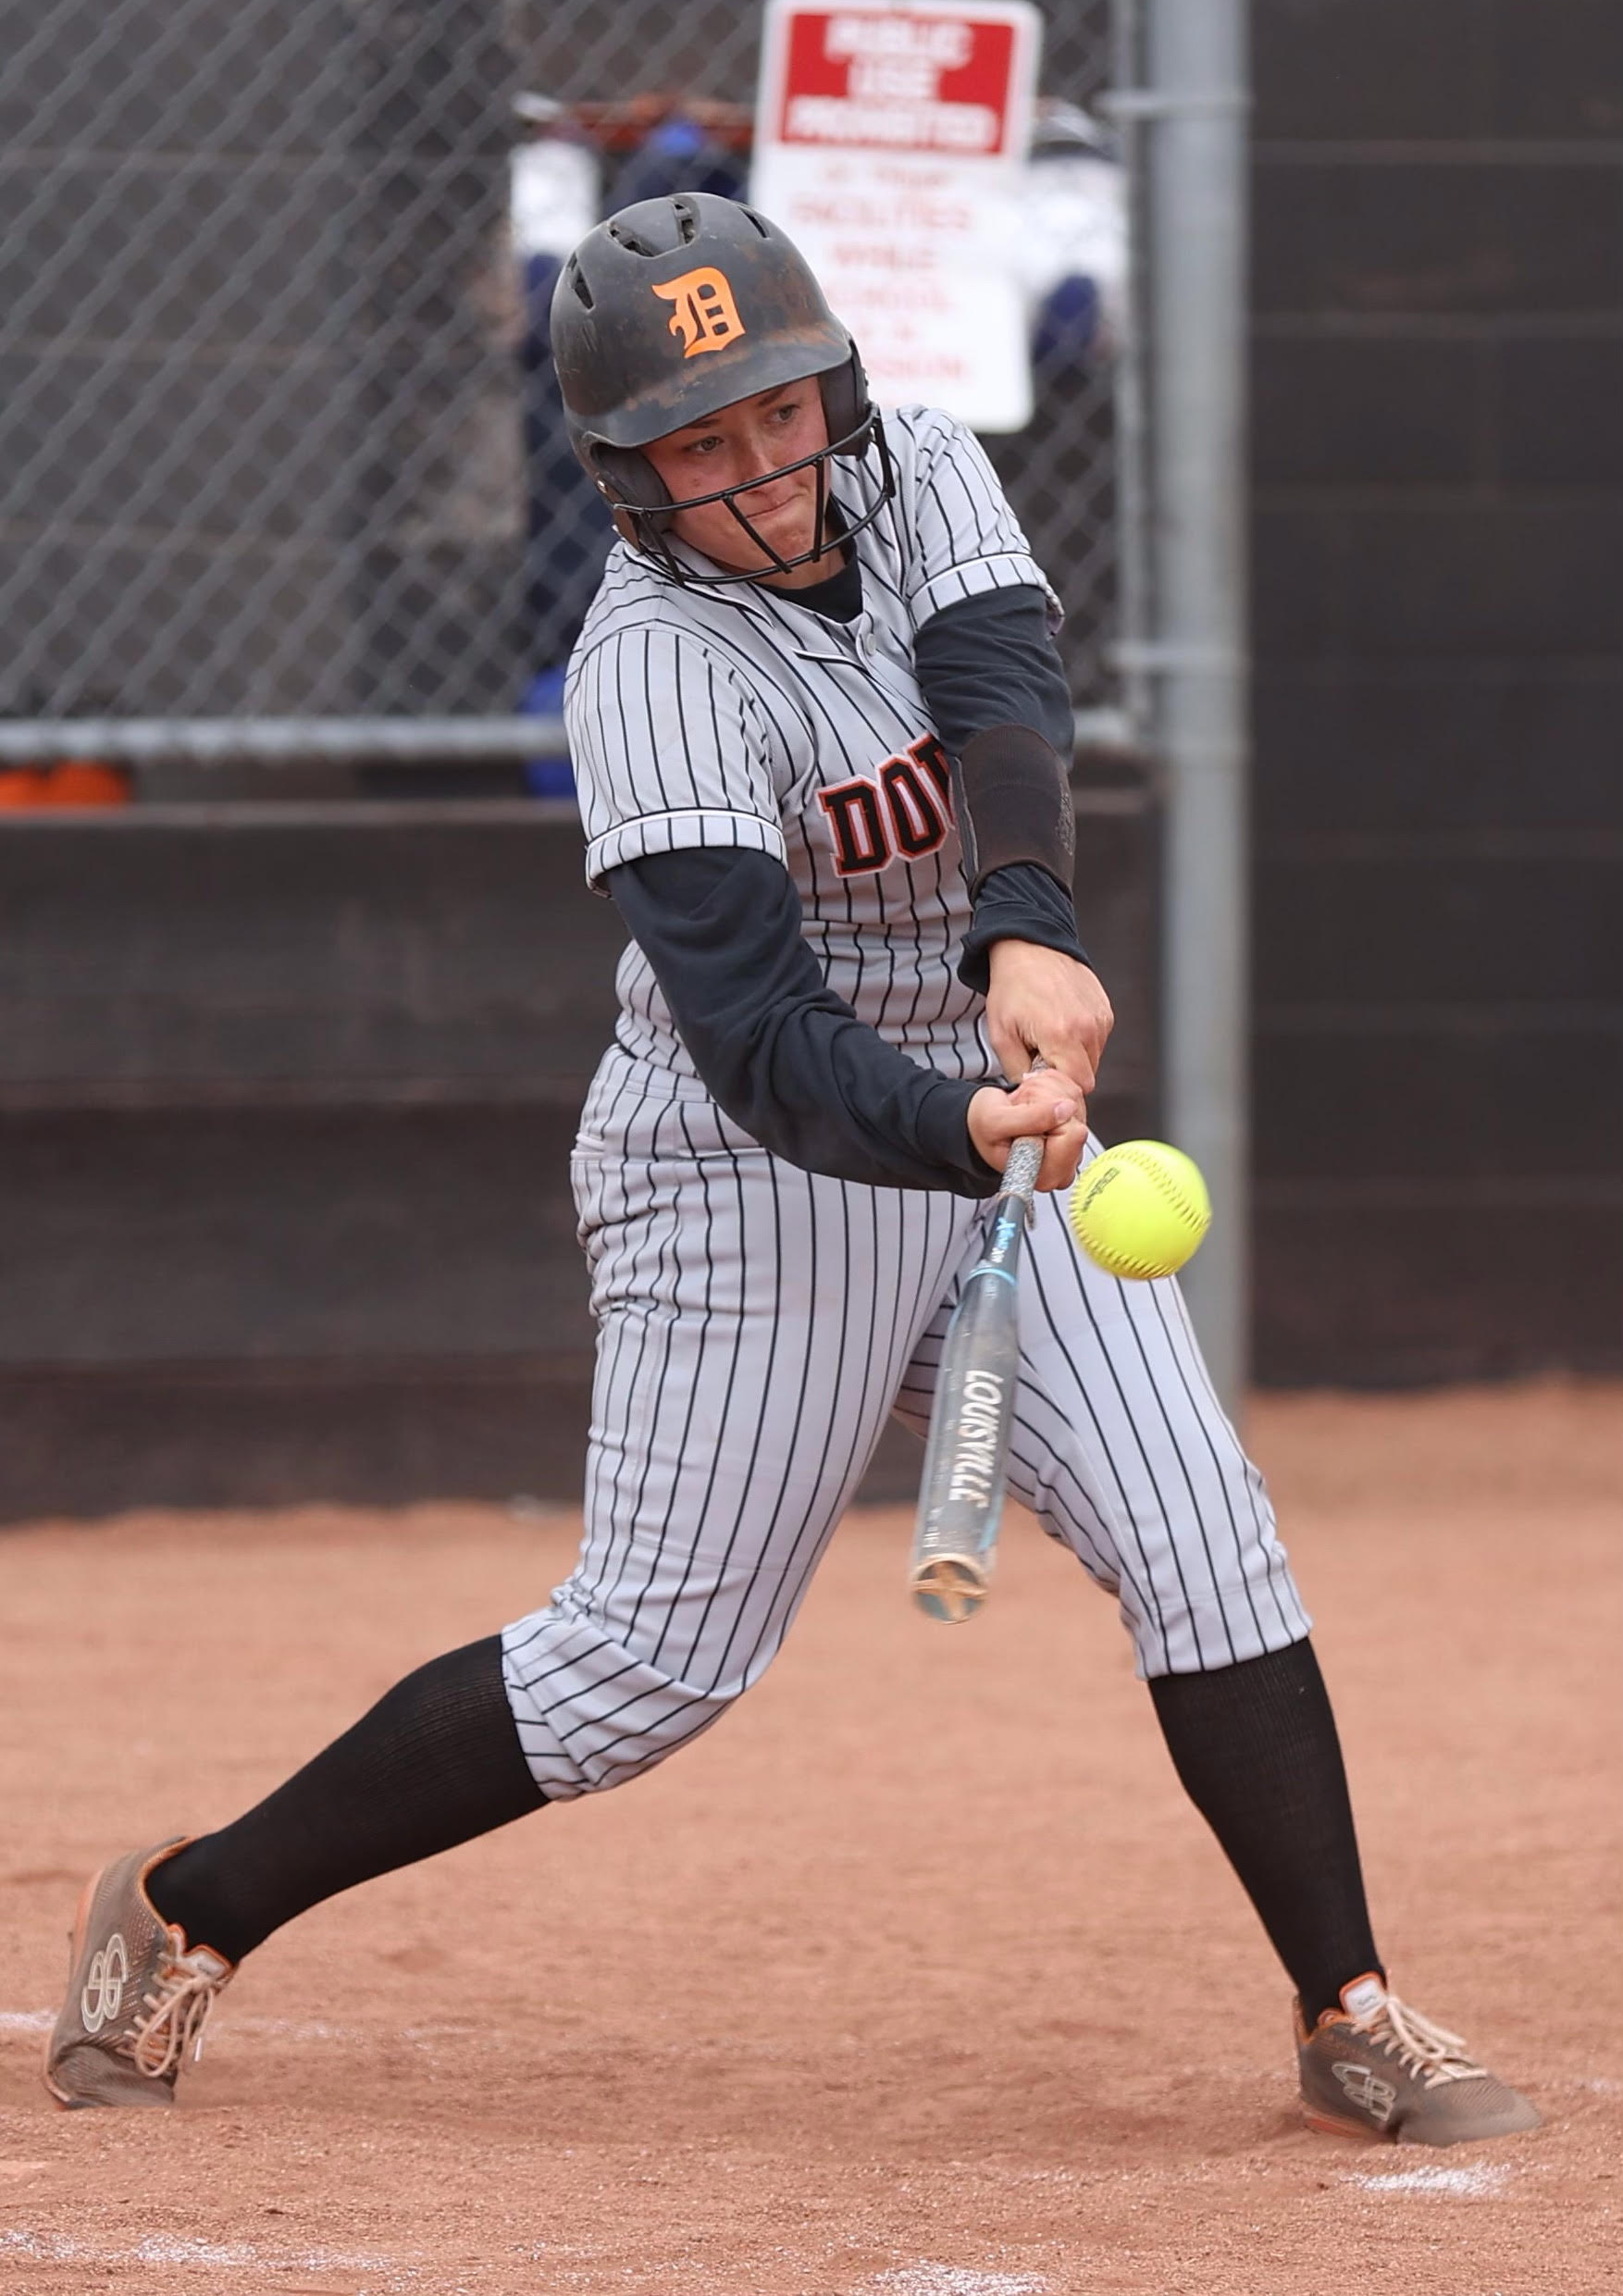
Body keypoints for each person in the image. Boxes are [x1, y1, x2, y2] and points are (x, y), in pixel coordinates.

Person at [44, 195, 1539, 2151]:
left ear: (827, 382)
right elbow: (755, 1041)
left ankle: (1346, 2005)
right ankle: (189, 1906)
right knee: (639, 1672)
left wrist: (1026, 925)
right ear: (627, 476)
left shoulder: (910, 456)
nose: (757, 465)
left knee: (1204, 1540)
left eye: (774, 409)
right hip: (753, 1167)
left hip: (984, 1104)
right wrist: (956, 1129)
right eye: (698, 439)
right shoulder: (649, 668)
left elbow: (1000, 684)